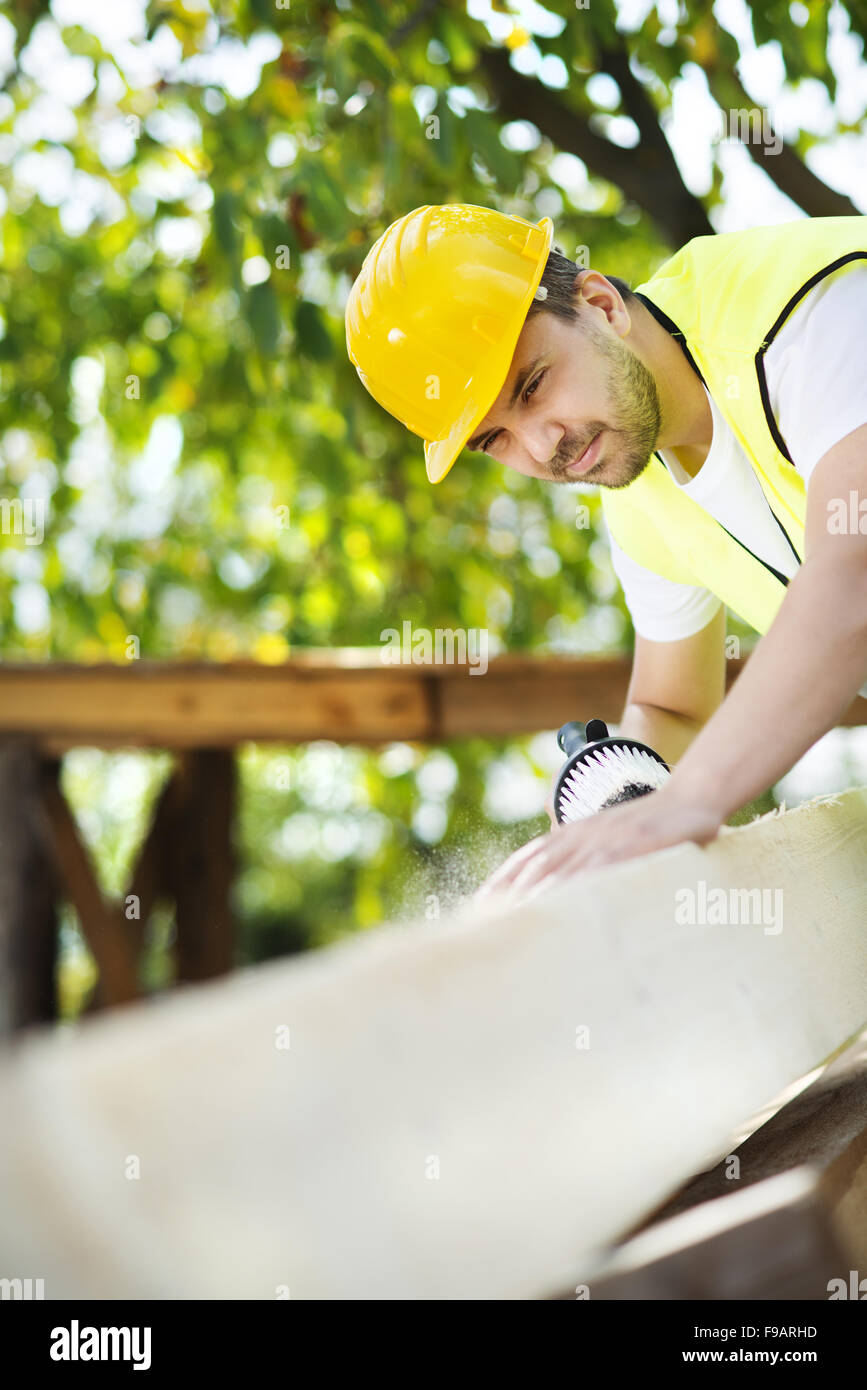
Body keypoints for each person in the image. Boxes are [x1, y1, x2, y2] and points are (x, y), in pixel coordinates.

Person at [345, 204, 867, 897]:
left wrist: (693, 799)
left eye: (531, 386)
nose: (541, 447)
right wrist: (614, 794)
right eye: (493, 439)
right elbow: (674, 708)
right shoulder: (638, 492)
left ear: (598, 305)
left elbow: (853, 573)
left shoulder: (811, 313)